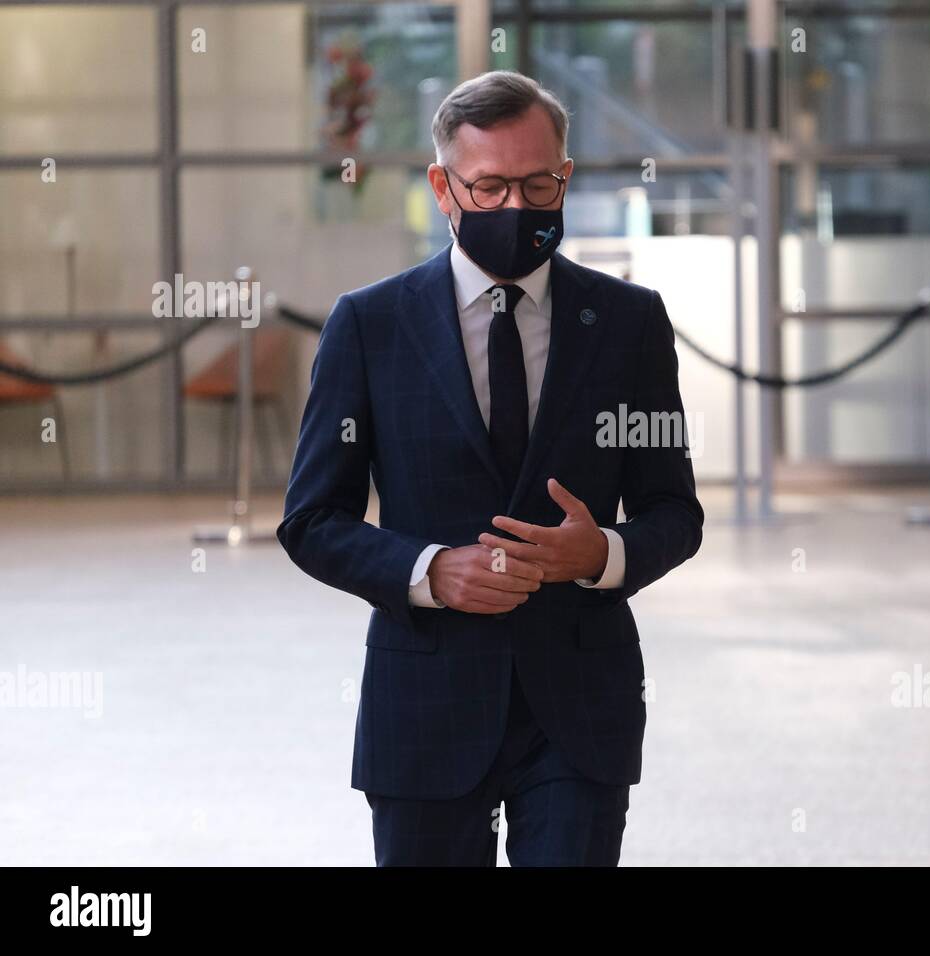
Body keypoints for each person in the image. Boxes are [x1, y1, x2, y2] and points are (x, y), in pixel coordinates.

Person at [277, 70, 704, 866]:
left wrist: (605, 554)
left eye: (538, 184)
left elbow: (674, 512)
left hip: (579, 708)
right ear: (443, 187)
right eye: (491, 187)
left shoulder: (628, 324)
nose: (517, 207)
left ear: (566, 177)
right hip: (426, 705)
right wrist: (429, 570)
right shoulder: (369, 325)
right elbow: (311, 521)